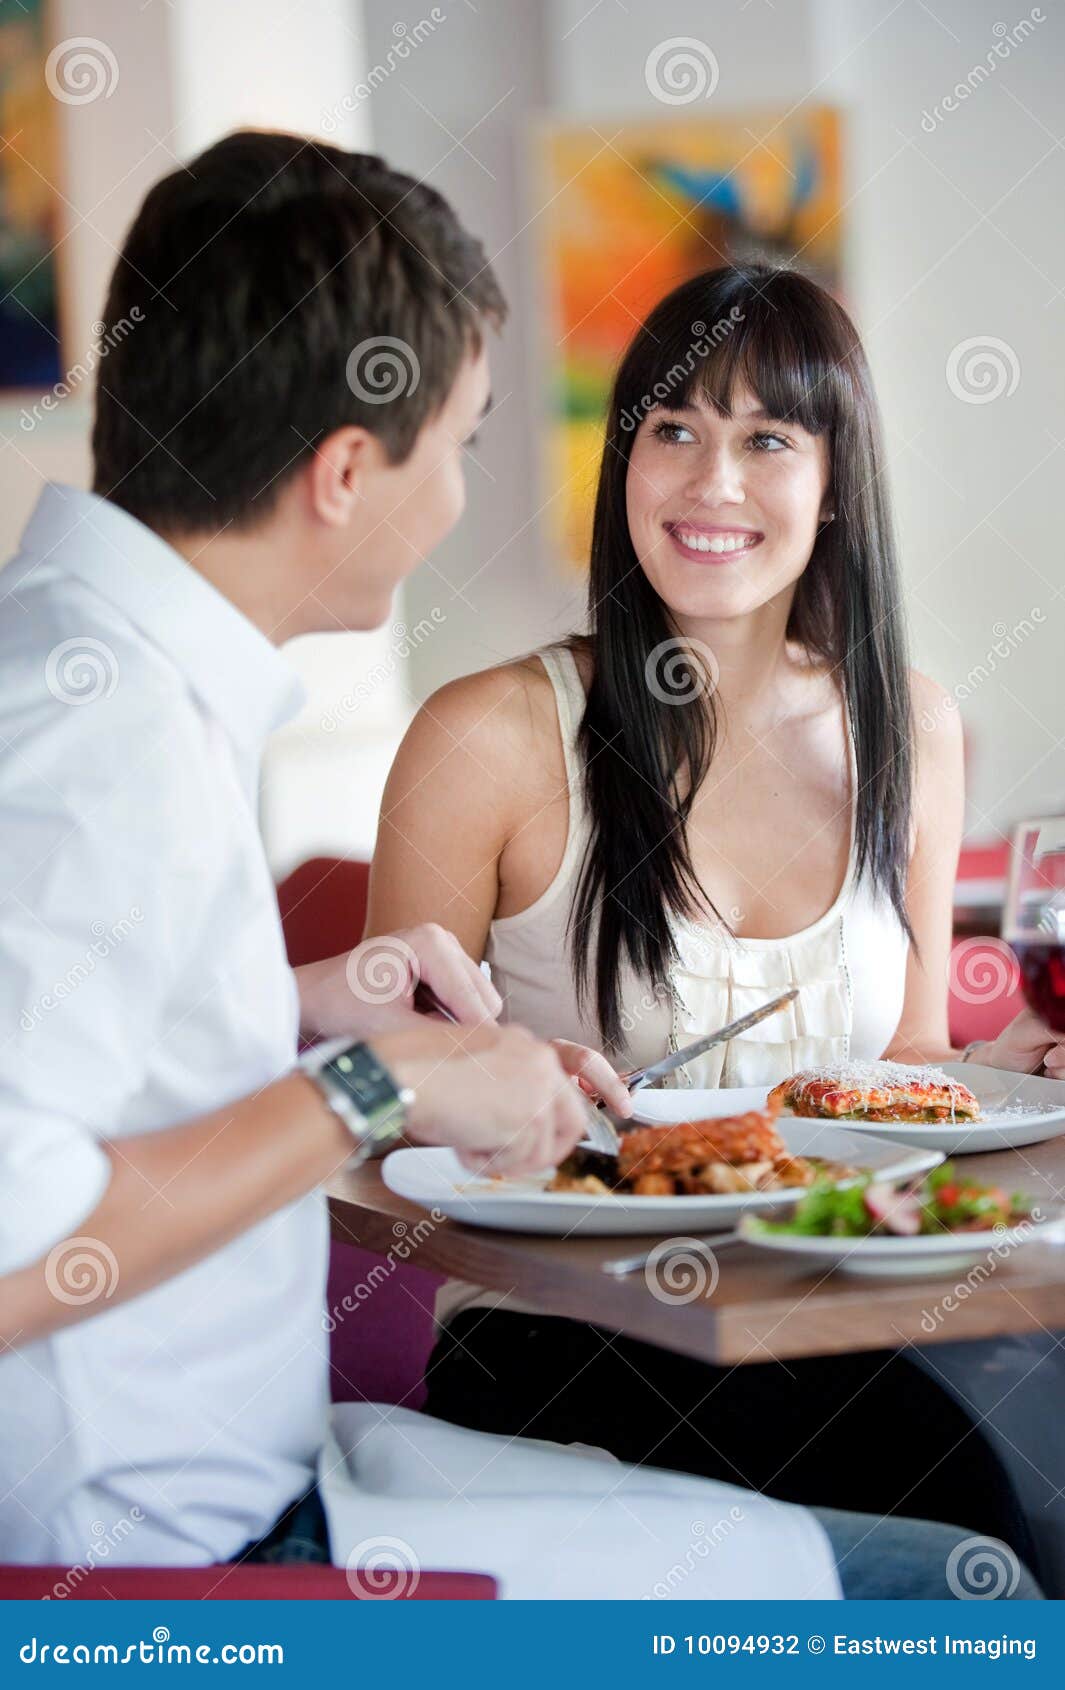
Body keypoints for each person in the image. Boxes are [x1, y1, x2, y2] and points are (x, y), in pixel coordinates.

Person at [0, 134, 1037, 1600]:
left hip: (266, 1472)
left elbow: (83, 1051)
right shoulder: (92, 743)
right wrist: (381, 1081)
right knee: (946, 1586)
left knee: (981, 1496)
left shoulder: (82, 685)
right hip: (178, 1562)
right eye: (466, 441)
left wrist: (302, 998)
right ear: (348, 467)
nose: (455, 505)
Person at [365, 262, 1065, 1566]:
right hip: (560, 1333)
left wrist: (1004, 1073)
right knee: (961, 1540)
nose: (712, 480)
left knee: (1018, 1509)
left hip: (822, 1316)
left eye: (765, 438)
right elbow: (375, 1087)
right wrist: (497, 1090)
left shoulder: (908, 728)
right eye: (672, 428)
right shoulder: (488, 737)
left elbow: (901, 1065)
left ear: (835, 481)